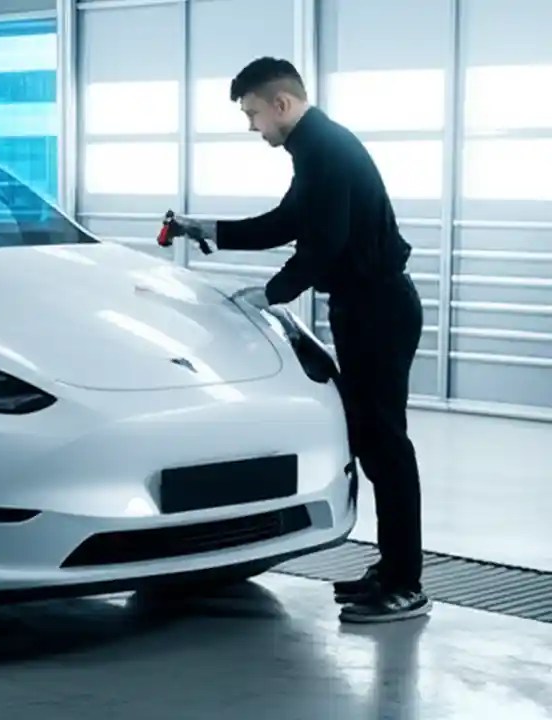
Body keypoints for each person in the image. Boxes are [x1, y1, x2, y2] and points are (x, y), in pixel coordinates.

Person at [165, 57, 430, 623]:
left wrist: (272, 294)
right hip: (366, 307)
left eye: (253, 114)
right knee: (372, 440)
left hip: (378, 310)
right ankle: (393, 567)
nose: (252, 126)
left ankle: (406, 583)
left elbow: (326, 242)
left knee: (386, 444)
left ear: (281, 104)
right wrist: (205, 229)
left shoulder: (324, 151)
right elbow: (287, 222)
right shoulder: (317, 148)